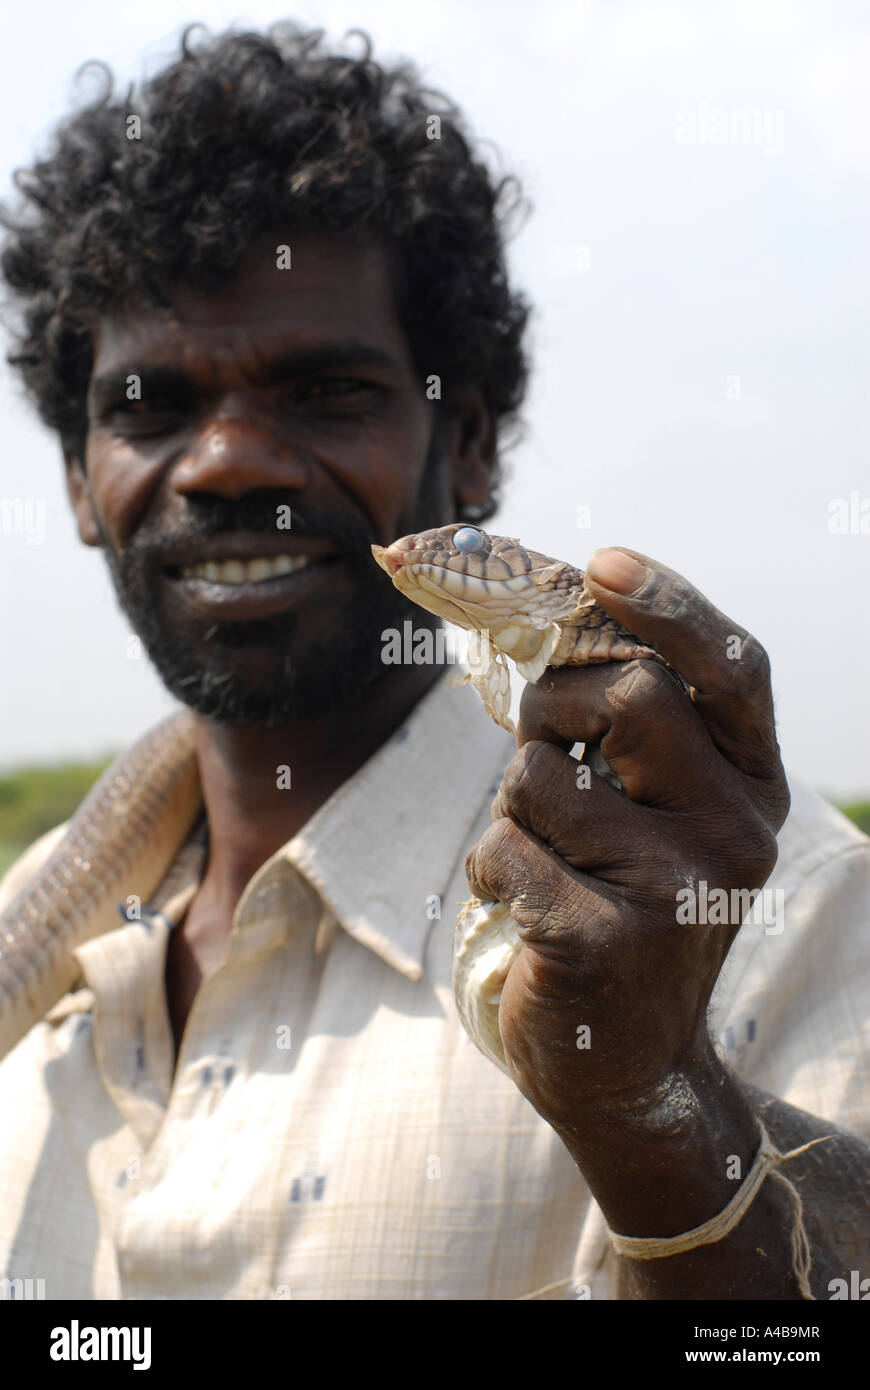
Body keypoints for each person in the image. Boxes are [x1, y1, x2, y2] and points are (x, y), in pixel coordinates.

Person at [0, 21, 867, 1302]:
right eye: (151, 407)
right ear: (83, 479)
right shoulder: (46, 931)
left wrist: (652, 1107)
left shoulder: (750, 900)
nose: (229, 461)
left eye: (325, 391)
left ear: (464, 446)